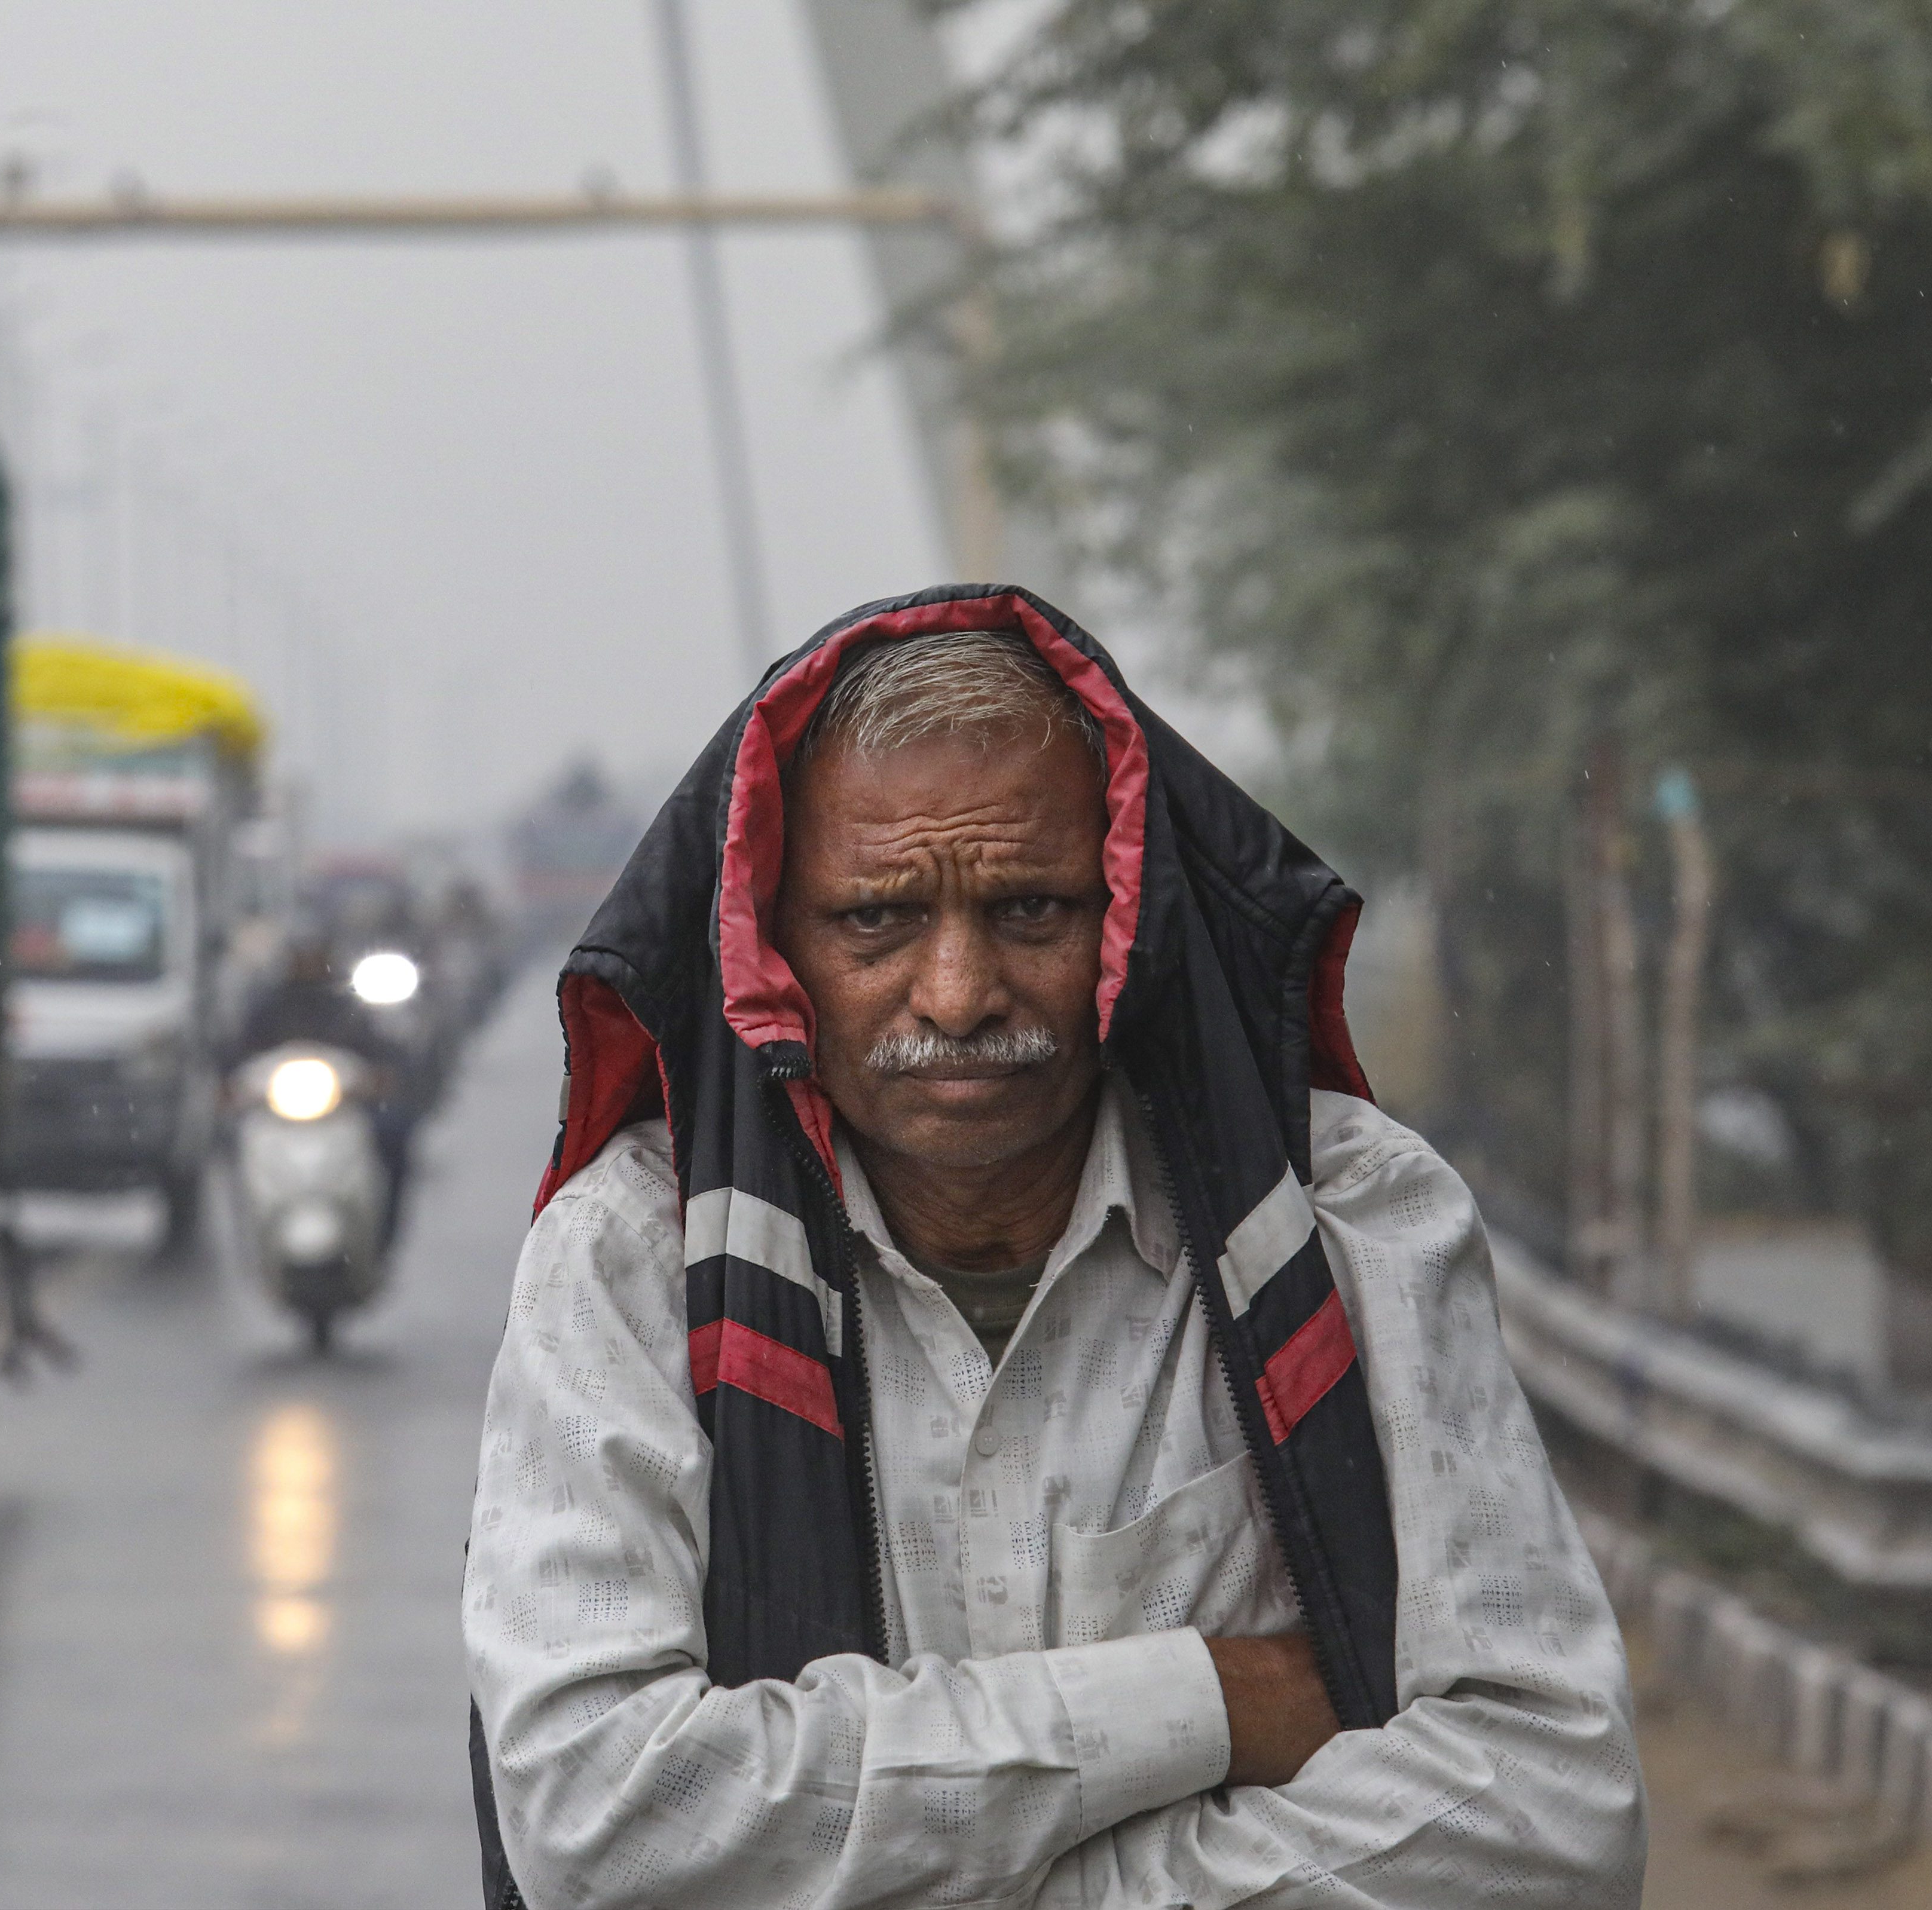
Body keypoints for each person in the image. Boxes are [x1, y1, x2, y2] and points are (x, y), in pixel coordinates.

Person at [463, 589, 1644, 1907]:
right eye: (878, 921)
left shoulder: (1344, 1221)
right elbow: (595, 1813)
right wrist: (1202, 1695)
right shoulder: (631, 1262)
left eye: (1031, 909)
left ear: (1128, 922)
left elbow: (1552, 1806)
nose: (960, 992)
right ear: (770, 949)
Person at [238, 933, 416, 1246]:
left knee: (394, 1134)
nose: (308, 965)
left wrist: (380, 1079)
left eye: (315, 956)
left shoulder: (346, 1005)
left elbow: (382, 1050)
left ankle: (384, 1233)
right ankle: (251, 1235)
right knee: (233, 1146)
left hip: (343, 1111)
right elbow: (238, 1053)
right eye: (301, 957)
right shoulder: (270, 1006)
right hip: (278, 1115)